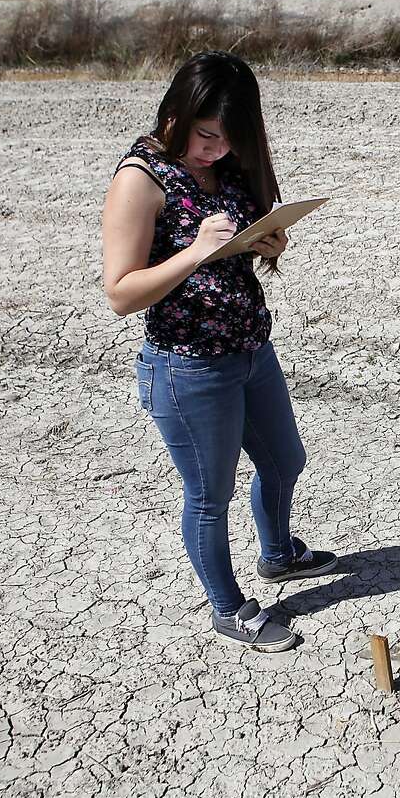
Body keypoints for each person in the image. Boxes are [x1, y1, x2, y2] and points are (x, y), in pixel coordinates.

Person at [101, 50, 336, 651]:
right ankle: (229, 609)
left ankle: (279, 554)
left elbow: (232, 249)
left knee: (286, 460)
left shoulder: (226, 168)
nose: (214, 151)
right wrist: (194, 253)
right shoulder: (140, 179)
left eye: (228, 141)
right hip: (187, 367)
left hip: (251, 349)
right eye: (206, 136)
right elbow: (122, 293)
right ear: (176, 112)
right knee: (210, 496)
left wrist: (267, 244)